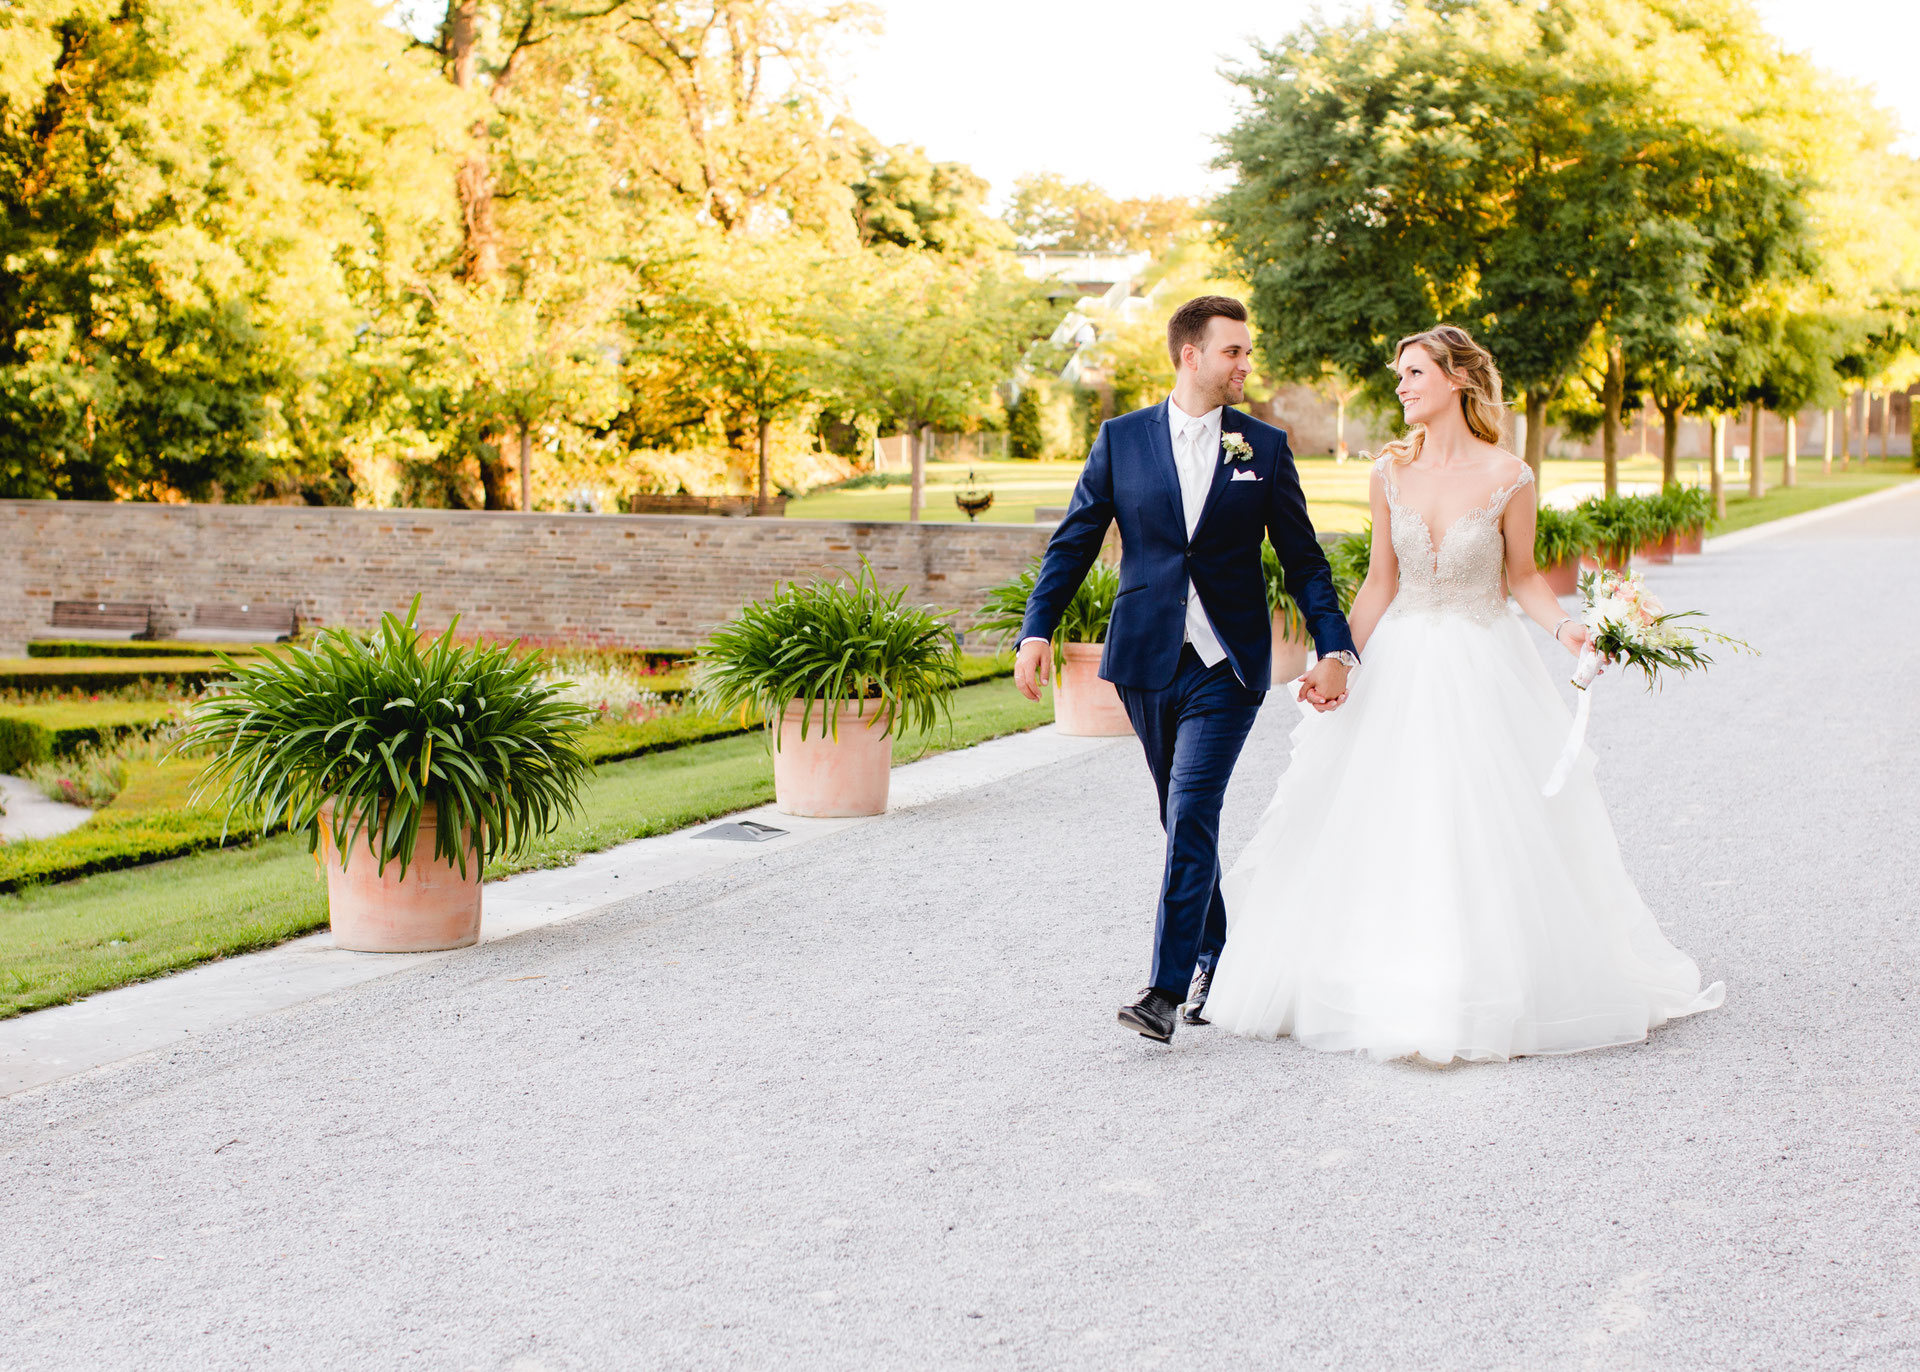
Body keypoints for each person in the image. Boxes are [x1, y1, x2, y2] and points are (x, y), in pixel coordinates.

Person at [1203, 325, 1725, 1062]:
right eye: (1399, 375)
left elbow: (1523, 579)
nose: (1402, 386)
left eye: (1415, 372)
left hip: (1484, 663)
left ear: (1456, 379)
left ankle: (1486, 982)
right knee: (1389, 816)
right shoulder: (1389, 473)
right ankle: (1381, 973)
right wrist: (1337, 660)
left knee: (1478, 818)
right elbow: (1380, 582)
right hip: (1403, 660)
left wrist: (1569, 631)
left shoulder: (1511, 476)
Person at [1013, 295, 1358, 1044]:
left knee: (1194, 812)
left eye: (1246, 351)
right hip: (1144, 660)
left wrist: (1335, 646)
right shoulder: (1121, 439)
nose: (1245, 364)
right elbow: (1072, 542)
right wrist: (1037, 628)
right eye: (1232, 351)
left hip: (1227, 666)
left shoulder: (1262, 448)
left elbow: (1304, 560)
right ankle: (1220, 957)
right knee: (1180, 821)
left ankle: (1165, 990)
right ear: (1189, 355)